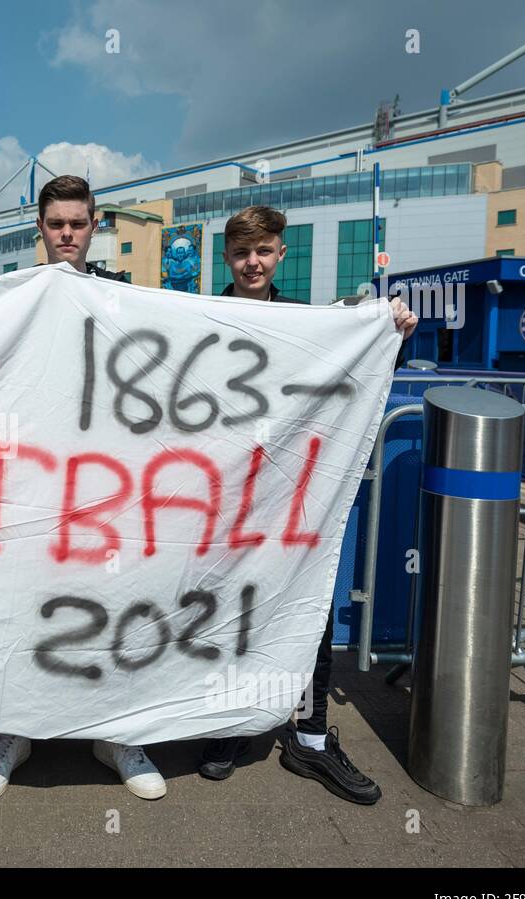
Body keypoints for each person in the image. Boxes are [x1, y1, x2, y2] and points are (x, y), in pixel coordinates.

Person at [196, 205, 416, 804]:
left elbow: (354, 365)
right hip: (223, 503)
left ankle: (311, 737)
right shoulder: (200, 317)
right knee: (227, 614)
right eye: (242, 252)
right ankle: (228, 726)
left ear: (281, 254)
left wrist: (388, 330)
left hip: (291, 503)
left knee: (307, 610)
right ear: (227, 258)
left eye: (264, 251)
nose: (253, 262)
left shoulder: (304, 323)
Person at [0, 174, 167, 804]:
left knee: (106, 602)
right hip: (23, 483)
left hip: (98, 488)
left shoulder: (119, 300)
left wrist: (367, 323)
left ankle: (117, 733)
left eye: (78, 224)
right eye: (56, 225)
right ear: (40, 230)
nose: (66, 235)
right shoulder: (7, 297)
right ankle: (11, 733)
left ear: (95, 225)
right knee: (18, 604)